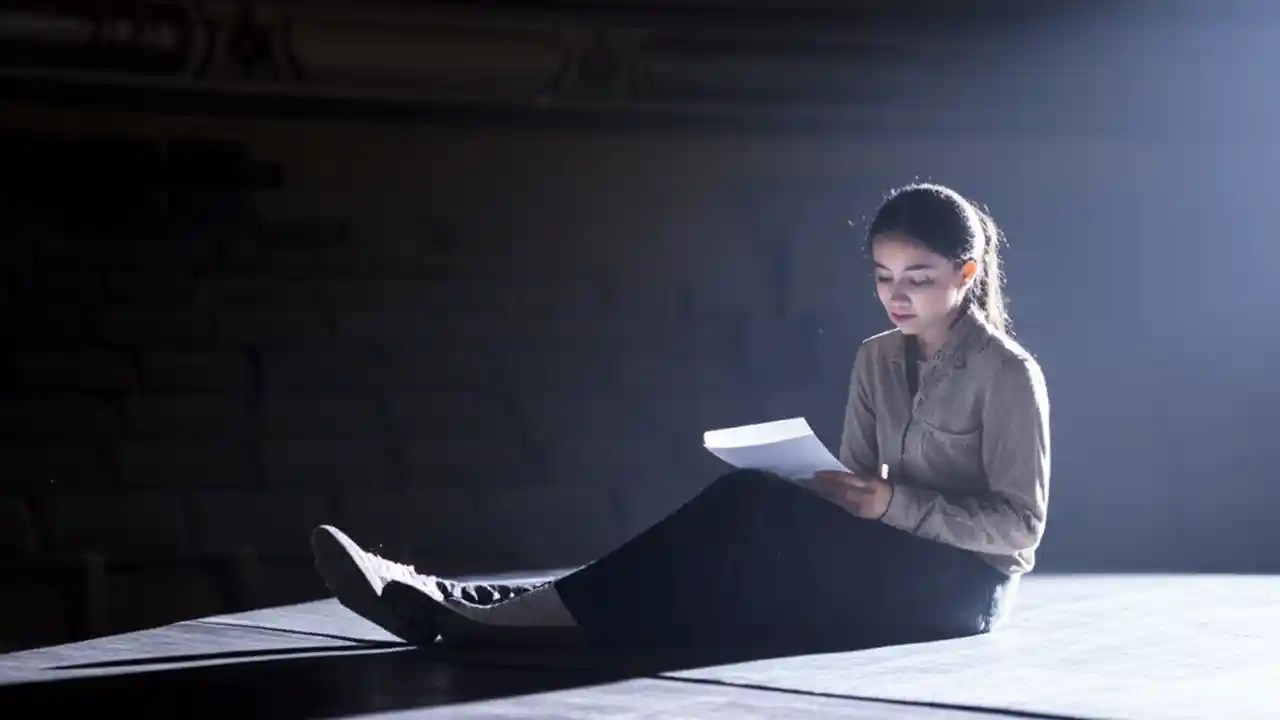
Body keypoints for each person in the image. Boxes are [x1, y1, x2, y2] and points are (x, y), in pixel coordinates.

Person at [311, 182, 1051, 653]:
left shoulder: (1007, 373)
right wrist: (827, 487)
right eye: (884, 277)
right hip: (888, 560)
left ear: (965, 274)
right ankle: (470, 605)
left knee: (742, 518)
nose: (897, 296)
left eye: (919, 278)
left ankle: (485, 611)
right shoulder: (876, 358)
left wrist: (890, 504)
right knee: (736, 537)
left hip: (962, 590)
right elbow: (852, 483)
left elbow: (1020, 530)